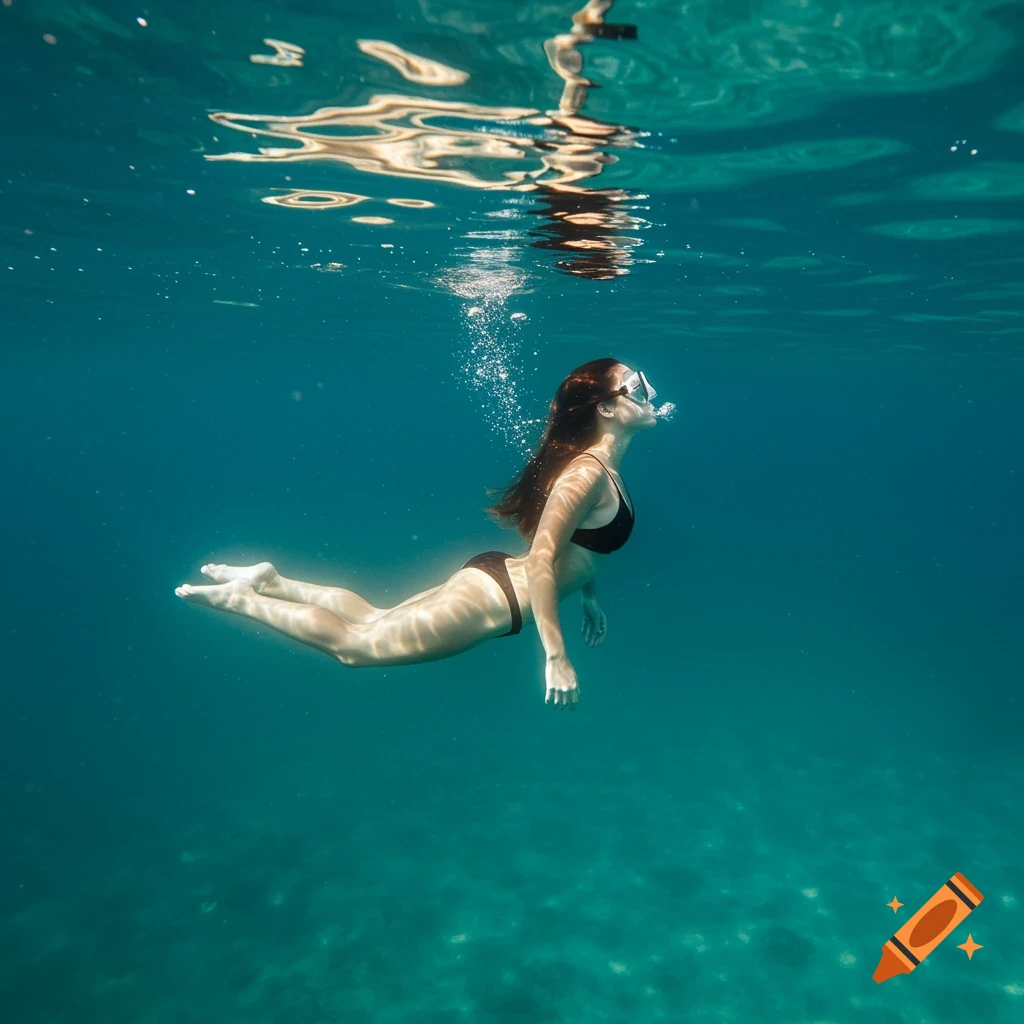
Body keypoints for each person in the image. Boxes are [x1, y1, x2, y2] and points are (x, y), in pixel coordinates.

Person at [175, 358, 659, 708]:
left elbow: (575, 544)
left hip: (492, 584)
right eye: (635, 386)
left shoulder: (605, 470)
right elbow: (542, 557)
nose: (647, 392)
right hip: (498, 600)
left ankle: (272, 582)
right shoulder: (587, 473)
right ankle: (239, 600)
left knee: (372, 616)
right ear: (607, 409)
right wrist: (556, 655)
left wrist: (587, 593)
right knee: (355, 649)